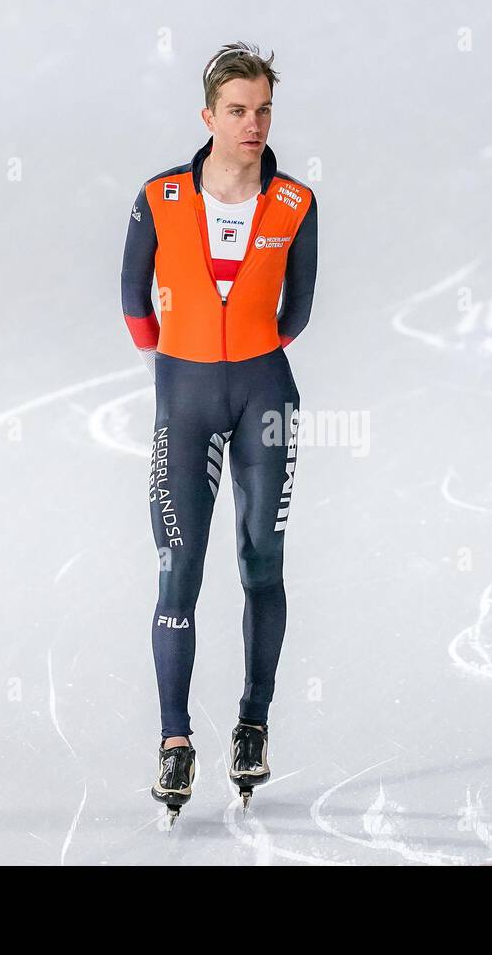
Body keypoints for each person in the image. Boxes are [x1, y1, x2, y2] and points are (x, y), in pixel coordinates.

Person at [119, 41, 318, 820]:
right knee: (181, 570)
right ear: (209, 116)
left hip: (266, 396)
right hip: (187, 400)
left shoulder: (296, 202)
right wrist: (177, 370)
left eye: (264, 109)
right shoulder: (161, 196)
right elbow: (133, 296)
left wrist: (243, 360)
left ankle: (252, 724)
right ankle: (175, 742)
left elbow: (296, 311)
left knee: (261, 561)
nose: (253, 124)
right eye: (238, 110)